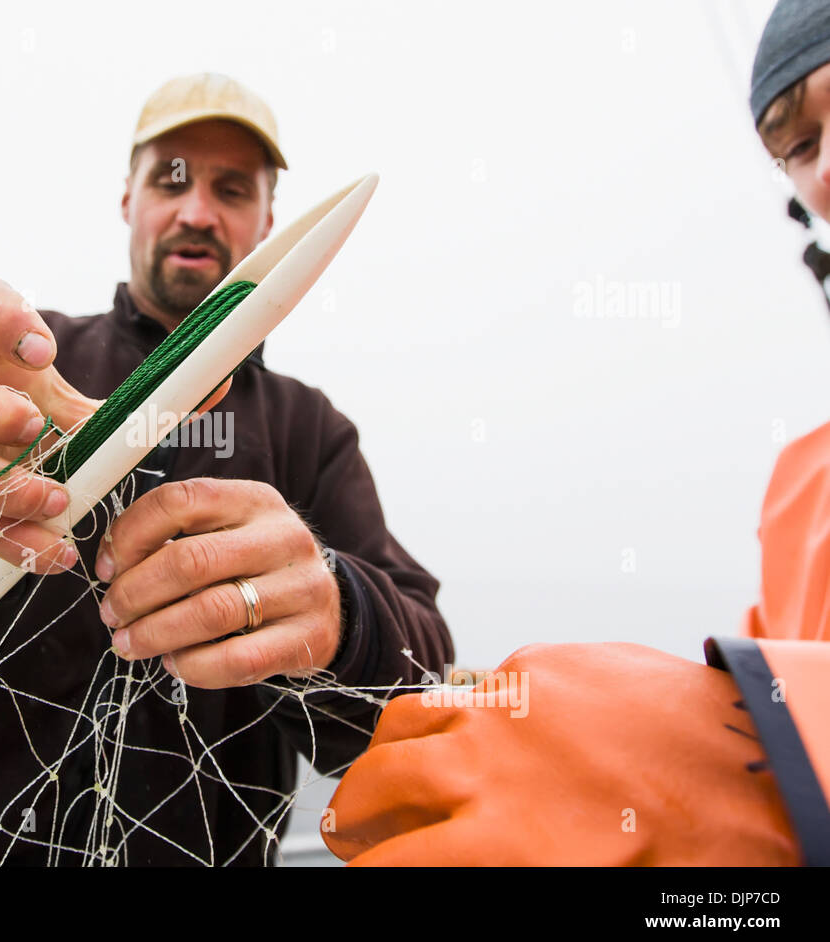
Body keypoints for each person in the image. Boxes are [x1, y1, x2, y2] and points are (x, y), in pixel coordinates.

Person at [0, 72, 453, 866]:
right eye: (171, 179)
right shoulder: (24, 359)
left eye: (231, 188)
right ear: (129, 199)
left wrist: (336, 613)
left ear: (266, 220)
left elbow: (419, 689)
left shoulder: (310, 429)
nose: (196, 210)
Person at [321, 0, 830, 867]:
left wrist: (758, 788)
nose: (829, 167)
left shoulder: (309, 433)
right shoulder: (800, 487)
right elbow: (772, 687)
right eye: (803, 146)